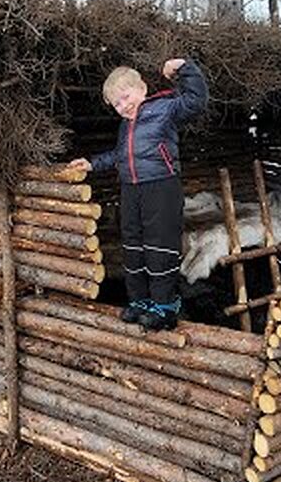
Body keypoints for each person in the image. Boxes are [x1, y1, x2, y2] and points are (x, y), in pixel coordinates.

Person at [68, 58, 208, 331]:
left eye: (126, 96)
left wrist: (183, 68)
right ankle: (140, 301)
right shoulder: (126, 126)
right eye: (116, 104)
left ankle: (165, 305)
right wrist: (92, 163)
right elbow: (121, 155)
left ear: (141, 88)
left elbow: (196, 100)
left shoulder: (164, 108)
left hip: (161, 186)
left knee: (159, 244)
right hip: (131, 189)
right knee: (133, 245)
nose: (123, 106)